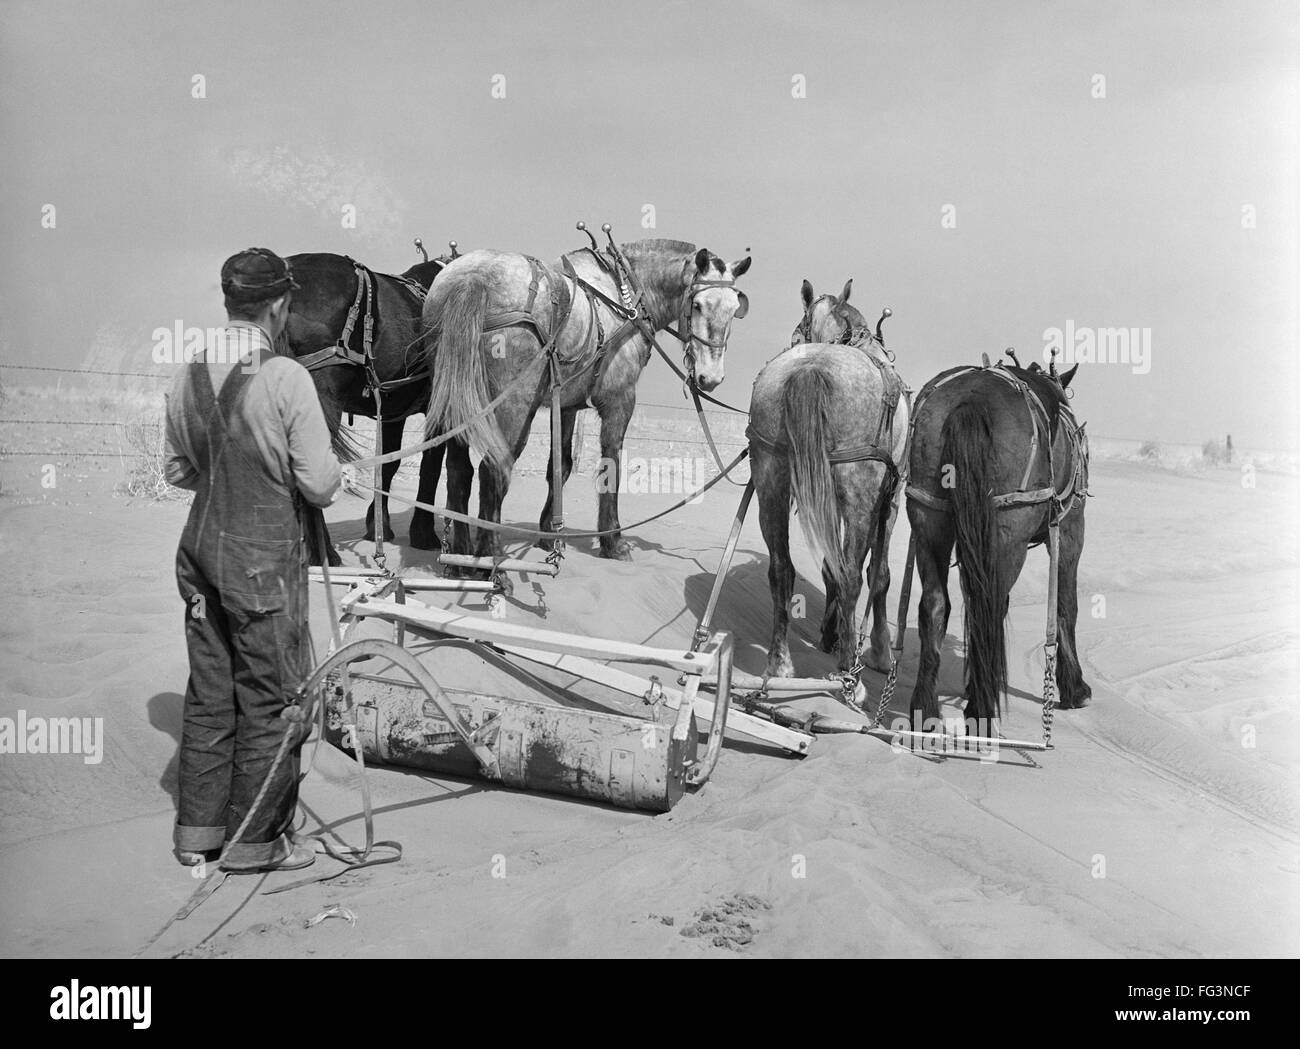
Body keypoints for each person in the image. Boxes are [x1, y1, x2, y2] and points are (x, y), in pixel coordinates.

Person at [164, 248, 341, 871]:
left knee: (211, 694)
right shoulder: (287, 377)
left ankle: (198, 834)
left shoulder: (186, 371)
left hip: (197, 554)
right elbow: (320, 484)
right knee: (272, 697)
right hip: (263, 562)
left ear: (228, 301)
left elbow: (176, 469)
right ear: (279, 304)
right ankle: (255, 845)